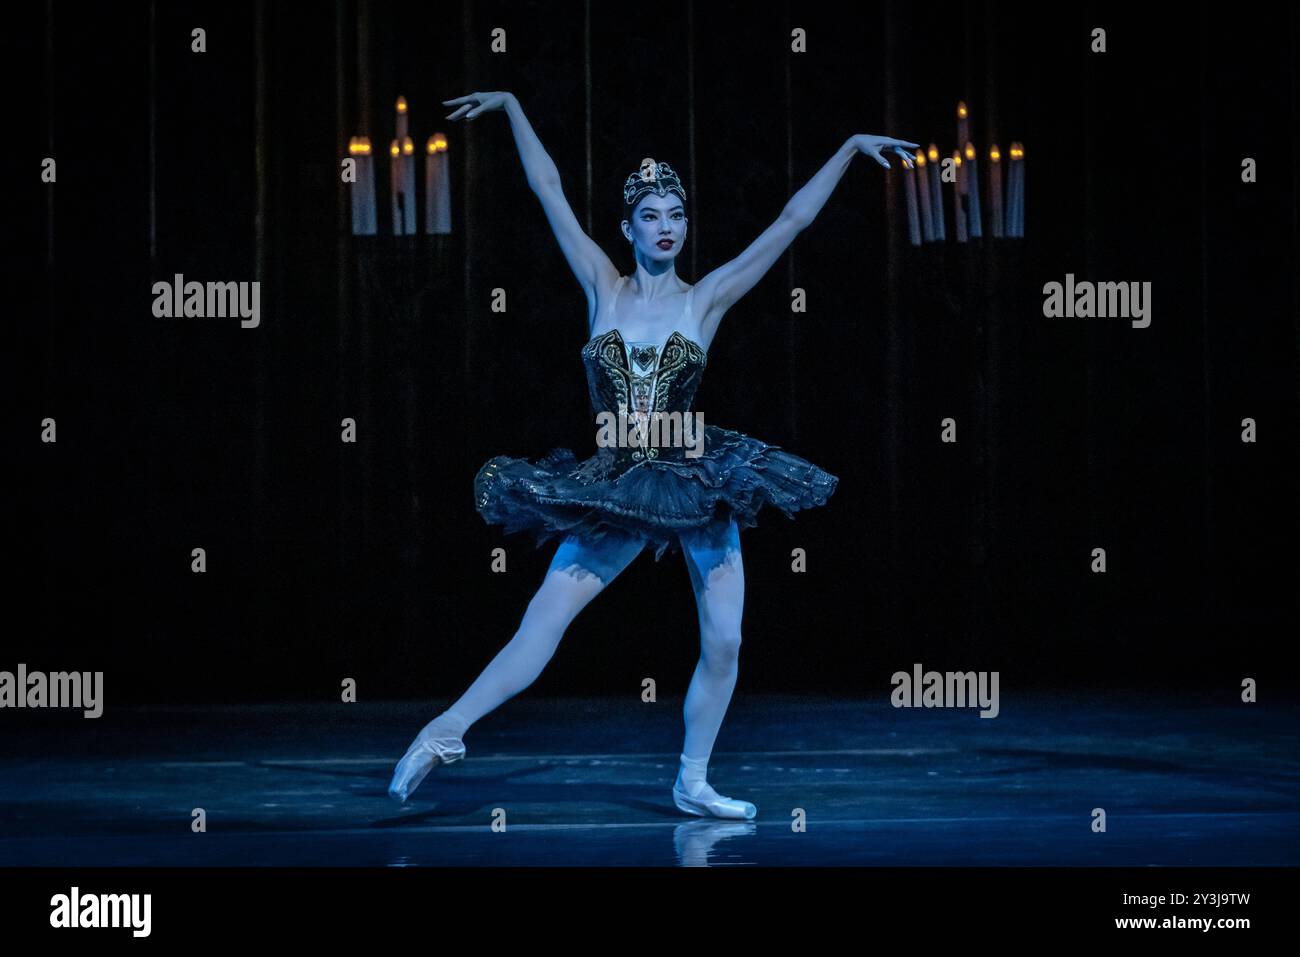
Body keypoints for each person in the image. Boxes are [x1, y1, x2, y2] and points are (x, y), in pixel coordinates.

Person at [388, 91, 917, 819]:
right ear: (628, 227)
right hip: (613, 479)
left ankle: (692, 778)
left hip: (693, 475)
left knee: (726, 636)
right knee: (543, 622)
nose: (666, 228)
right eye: (651, 216)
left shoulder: (706, 300)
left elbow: (789, 223)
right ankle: (444, 730)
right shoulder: (601, 286)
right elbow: (549, 191)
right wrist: (514, 105)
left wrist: (852, 146)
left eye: (676, 216)